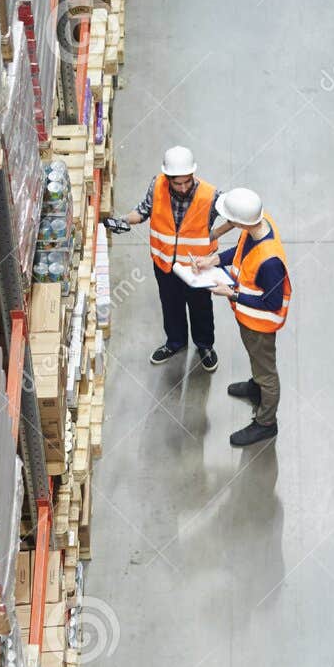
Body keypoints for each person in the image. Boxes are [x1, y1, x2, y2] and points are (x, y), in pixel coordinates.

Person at [104, 146, 231, 371]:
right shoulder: (157, 186)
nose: (183, 188)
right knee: (171, 305)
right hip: (165, 264)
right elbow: (142, 211)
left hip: (197, 268)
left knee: (201, 308)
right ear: (168, 177)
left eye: (187, 182)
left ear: (193, 174)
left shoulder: (210, 195)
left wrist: (215, 234)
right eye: (177, 183)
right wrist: (124, 220)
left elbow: (236, 214)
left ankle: (205, 346)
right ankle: (175, 342)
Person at [192, 188, 290, 447]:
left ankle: (266, 423)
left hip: (260, 325)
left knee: (267, 372)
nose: (228, 223)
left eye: (230, 219)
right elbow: (241, 251)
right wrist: (214, 260)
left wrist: (232, 294)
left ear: (242, 221)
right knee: (257, 361)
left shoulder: (270, 262)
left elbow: (272, 303)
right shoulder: (259, 223)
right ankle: (256, 388)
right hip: (248, 320)